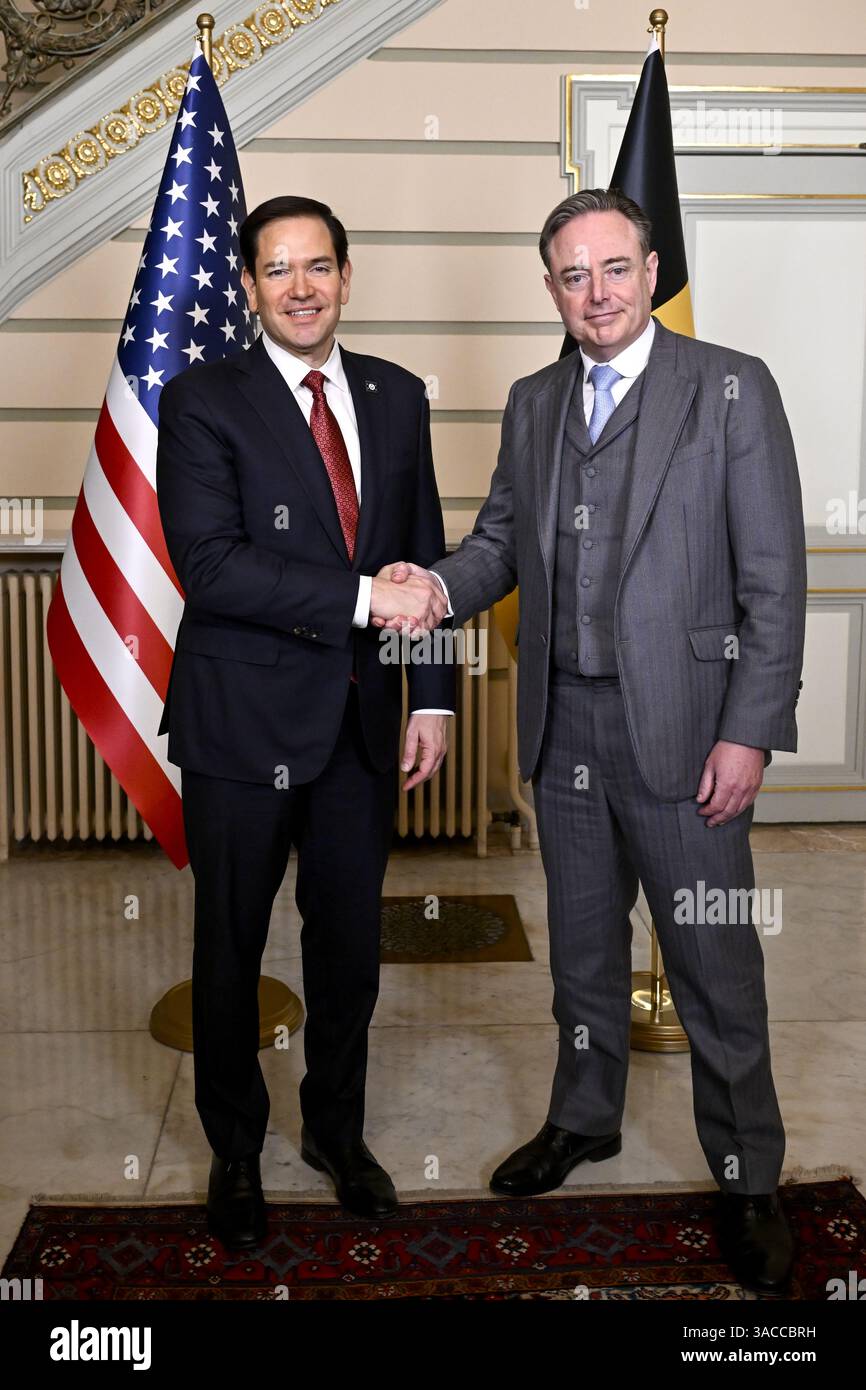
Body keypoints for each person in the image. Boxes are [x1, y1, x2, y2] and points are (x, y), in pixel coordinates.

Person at [376, 188, 806, 1297]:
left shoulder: (731, 386)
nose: (596, 293)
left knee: (714, 964)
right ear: (552, 289)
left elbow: (774, 578)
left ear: (651, 270)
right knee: (578, 953)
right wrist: (435, 587)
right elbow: (499, 543)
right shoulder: (533, 402)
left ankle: (746, 1174)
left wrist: (748, 732)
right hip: (563, 722)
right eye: (573, 275)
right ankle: (584, 1117)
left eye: (614, 268)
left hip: (689, 732)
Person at [156, 195, 454, 1246]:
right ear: (248, 286)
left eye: (317, 265)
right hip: (240, 727)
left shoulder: (396, 394)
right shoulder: (202, 398)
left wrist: (434, 695)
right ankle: (236, 1151)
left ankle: (336, 1132)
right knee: (230, 946)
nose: (299, 287)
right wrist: (368, 599)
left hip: (359, 729)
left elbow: (425, 554)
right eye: (277, 269)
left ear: (345, 276)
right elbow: (213, 566)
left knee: (348, 950)